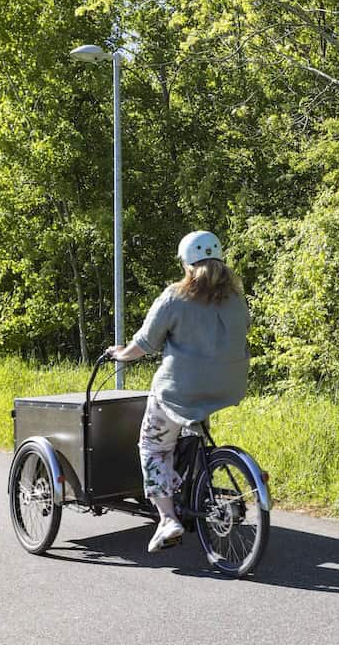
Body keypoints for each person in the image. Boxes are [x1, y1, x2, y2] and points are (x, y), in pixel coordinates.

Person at [105, 230, 250, 553]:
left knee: (153, 448)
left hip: (178, 391)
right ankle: (195, 484)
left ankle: (168, 518)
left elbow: (144, 344)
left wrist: (120, 354)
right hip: (226, 386)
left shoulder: (175, 296)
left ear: (186, 264)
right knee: (192, 430)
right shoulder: (236, 298)